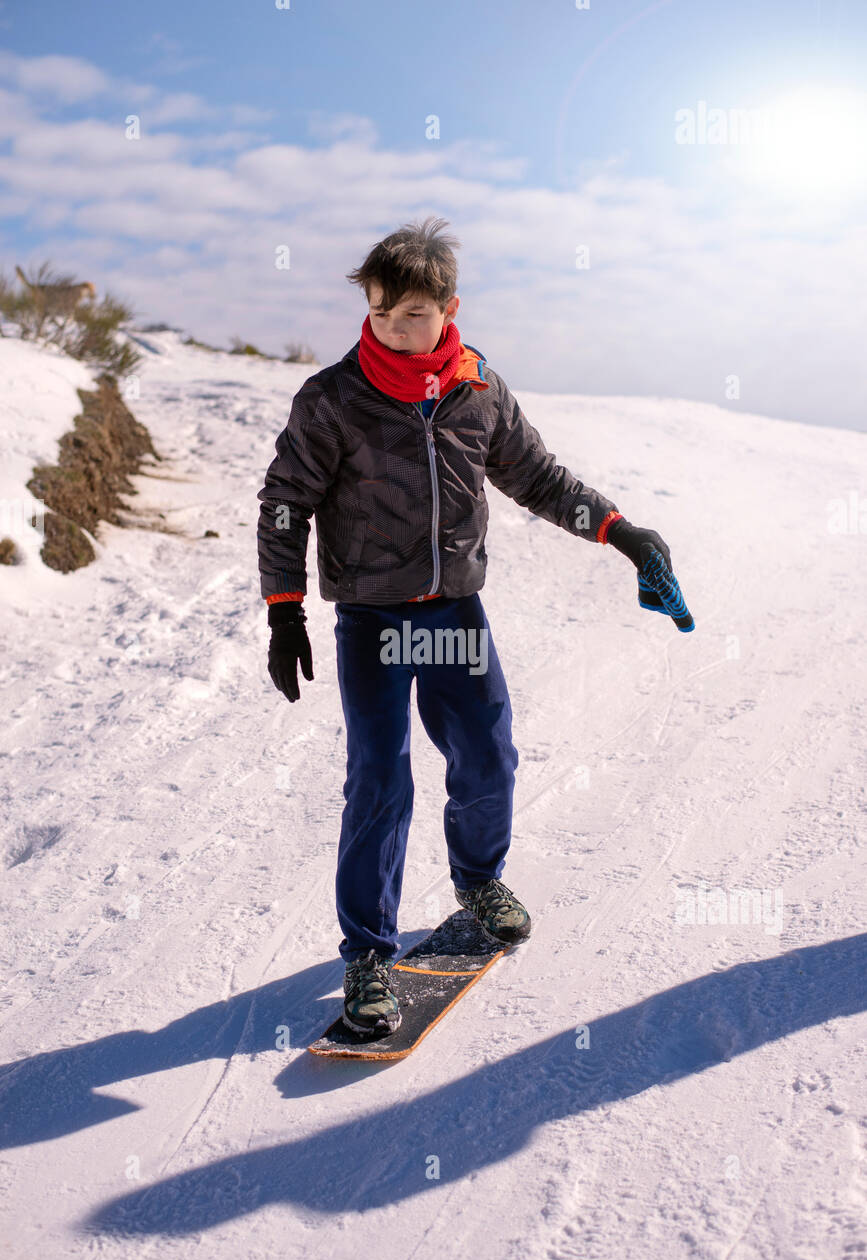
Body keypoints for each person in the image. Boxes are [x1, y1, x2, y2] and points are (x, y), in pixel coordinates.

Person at [257, 216, 674, 1039]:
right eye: (380, 314)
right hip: (373, 616)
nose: (394, 330)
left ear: (450, 307)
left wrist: (620, 531)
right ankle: (368, 954)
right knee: (380, 780)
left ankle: (478, 880)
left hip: (452, 614)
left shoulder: (478, 389)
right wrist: (284, 610)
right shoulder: (334, 398)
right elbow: (283, 502)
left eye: (412, 314)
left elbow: (541, 478)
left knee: (487, 757)